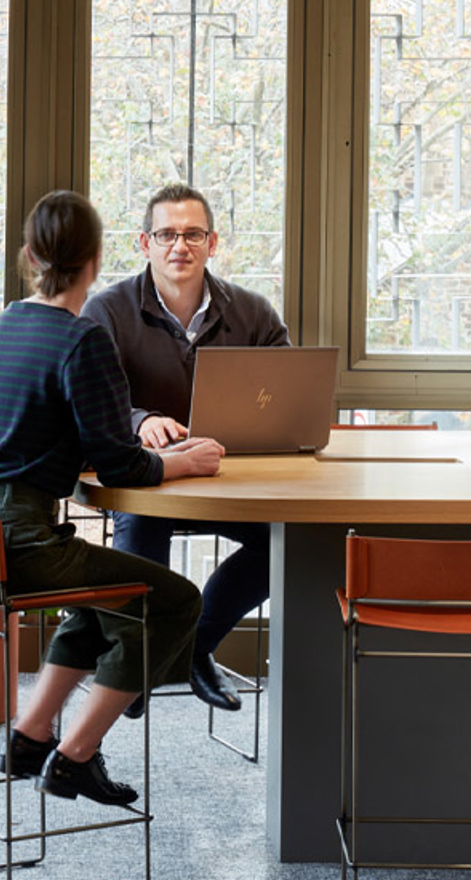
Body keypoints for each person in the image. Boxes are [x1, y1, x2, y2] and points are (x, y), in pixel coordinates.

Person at [0, 190, 224, 806]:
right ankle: (75, 757)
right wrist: (181, 462)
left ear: (33, 255)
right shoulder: (83, 338)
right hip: (18, 541)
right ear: (96, 259)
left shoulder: (10, 320)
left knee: (104, 599)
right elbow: (121, 463)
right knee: (172, 600)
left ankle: (30, 736)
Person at [82, 184, 289, 716]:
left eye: (193, 234)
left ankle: (193, 647)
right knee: (141, 558)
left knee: (286, 544)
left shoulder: (252, 312)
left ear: (212, 242)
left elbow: (287, 390)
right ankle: (137, 665)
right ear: (144, 242)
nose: (181, 246)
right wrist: (139, 419)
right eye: (167, 234)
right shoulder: (106, 311)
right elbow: (84, 395)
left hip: (228, 476)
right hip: (147, 477)